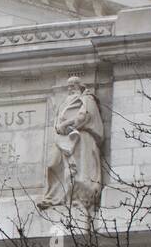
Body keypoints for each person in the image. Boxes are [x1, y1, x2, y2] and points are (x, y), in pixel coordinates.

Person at [38, 77, 103, 210]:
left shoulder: (87, 99)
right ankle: (54, 196)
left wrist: (66, 124)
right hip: (63, 139)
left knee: (77, 172)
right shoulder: (65, 102)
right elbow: (58, 119)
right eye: (68, 86)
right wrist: (59, 127)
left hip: (80, 139)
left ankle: (77, 198)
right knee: (52, 164)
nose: (70, 89)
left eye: (73, 86)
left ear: (80, 86)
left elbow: (83, 117)